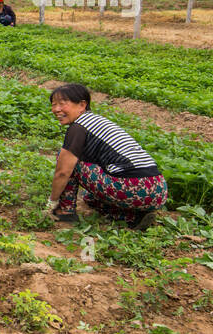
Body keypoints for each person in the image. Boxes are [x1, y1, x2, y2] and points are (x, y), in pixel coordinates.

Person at [48, 83, 167, 230]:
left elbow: (63, 172)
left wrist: (52, 201)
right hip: (157, 190)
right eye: (54, 105)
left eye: (62, 104)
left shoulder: (78, 127)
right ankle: (133, 217)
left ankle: (64, 212)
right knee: (89, 198)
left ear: (82, 105)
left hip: (132, 186)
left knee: (67, 160)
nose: (56, 109)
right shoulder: (96, 122)